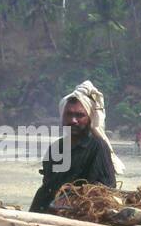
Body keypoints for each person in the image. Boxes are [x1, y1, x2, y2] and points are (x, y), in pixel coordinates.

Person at [30, 80, 122, 213]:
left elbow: (104, 189)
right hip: (45, 210)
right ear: (62, 117)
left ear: (89, 118)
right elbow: (47, 185)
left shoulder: (97, 146)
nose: (73, 120)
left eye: (79, 115)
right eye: (69, 114)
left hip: (76, 213)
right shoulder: (56, 147)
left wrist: (70, 201)